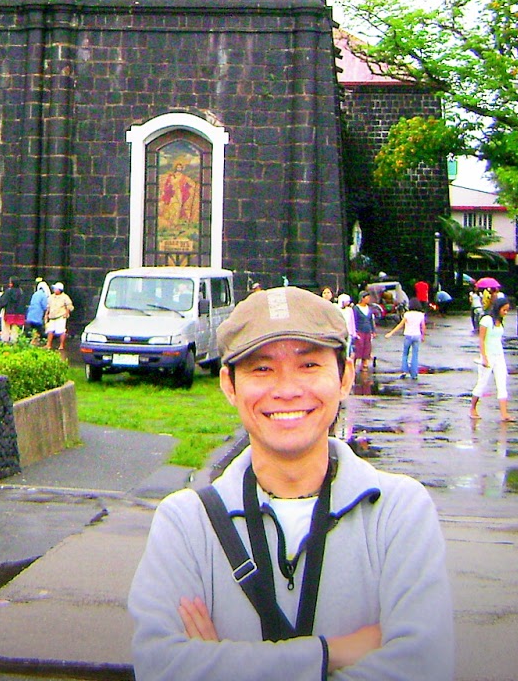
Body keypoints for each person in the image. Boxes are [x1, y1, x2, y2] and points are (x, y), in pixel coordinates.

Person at [128, 286, 454, 680]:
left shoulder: (398, 512)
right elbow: (160, 668)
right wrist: (331, 653)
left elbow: (422, 668)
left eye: (309, 366)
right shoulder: (185, 523)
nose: (286, 390)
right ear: (229, 385)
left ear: (345, 377)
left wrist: (224, 666)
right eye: (262, 368)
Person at [470, 295, 514, 421]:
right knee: (482, 383)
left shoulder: (500, 322)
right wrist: (484, 357)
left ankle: (504, 413)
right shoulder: (486, 320)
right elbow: (482, 339)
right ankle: (473, 407)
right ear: (498, 308)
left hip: (499, 356)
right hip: (488, 355)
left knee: (502, 383)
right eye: (504, 310)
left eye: (507, 310)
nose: (505, 313)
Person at [385, 301, 426, 381]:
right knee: (415, 355)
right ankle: (414, 374)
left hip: (408, 335)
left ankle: (404, 371)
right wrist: (423, 336)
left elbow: (400, 325)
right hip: (417, 335)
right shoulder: (421, 315)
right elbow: (423, 327)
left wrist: (391, 333)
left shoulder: (407, 314)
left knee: (405, 354)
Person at [350, 291, 376, 376]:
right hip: (359, 330)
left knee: (367, 347)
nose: (368, 299)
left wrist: (373, 331)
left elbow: (371, 320)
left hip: (367, 330)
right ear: (362, 298)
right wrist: (354, 331)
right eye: (366, 297)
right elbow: (354, 320)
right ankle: (353, 364)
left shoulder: (369, 308)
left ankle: (364, 364)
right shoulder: (356, 308)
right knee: (358, 347)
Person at [45, 281, 74, 354]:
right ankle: (48, 344)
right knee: (50, 330)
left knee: (61, 331)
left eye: (56, 289)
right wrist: (46, 314)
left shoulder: (65, 297)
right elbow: (48, 306)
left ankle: (61, 345)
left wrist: (66, 313)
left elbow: (69, 306)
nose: (54, 290)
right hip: (52, 316)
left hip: (61, 316)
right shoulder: (51, 297)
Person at [25, 277, 50, 343]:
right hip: (38, 315)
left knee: (32, 328)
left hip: (31, 314)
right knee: (38, 329)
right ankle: (35, 341)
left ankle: (33, 340)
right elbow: (44, 306)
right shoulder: (43, 295)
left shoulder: (35, 294)